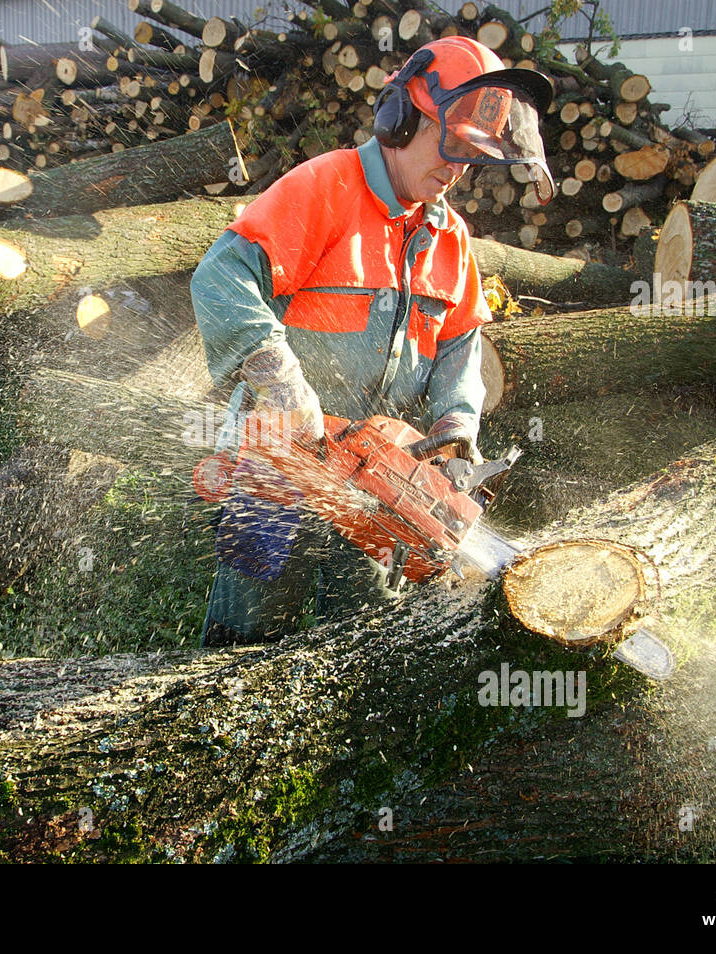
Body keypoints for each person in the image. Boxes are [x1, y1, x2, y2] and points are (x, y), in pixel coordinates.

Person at [190, 36, 554, 647]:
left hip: (377, 477)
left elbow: (461, 343)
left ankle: (340, 732)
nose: (456, 169)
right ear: (400, 118)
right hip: (277, 461)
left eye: (471, 156)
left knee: (364, 633)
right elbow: (220, 277)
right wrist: (281, 382)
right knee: (245, 630)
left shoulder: (449, 236)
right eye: (450, 145)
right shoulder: (324, 187)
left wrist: (456, 429)